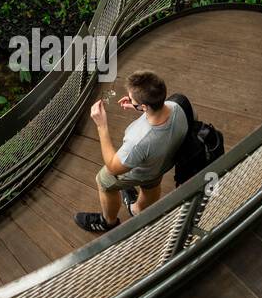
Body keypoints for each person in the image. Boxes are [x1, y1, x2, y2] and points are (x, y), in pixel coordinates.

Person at [75, 70, 188, 234]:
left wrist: (101, 126)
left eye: (133, 99)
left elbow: (114, 167)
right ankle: (137, 209)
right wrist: (139, 106)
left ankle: (108, 222)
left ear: (144, 106)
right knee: (152, 181)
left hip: (143, 168)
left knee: (103, 181)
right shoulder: (178, 104)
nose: (129, 99)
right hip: (162, 163)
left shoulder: (139, 141)